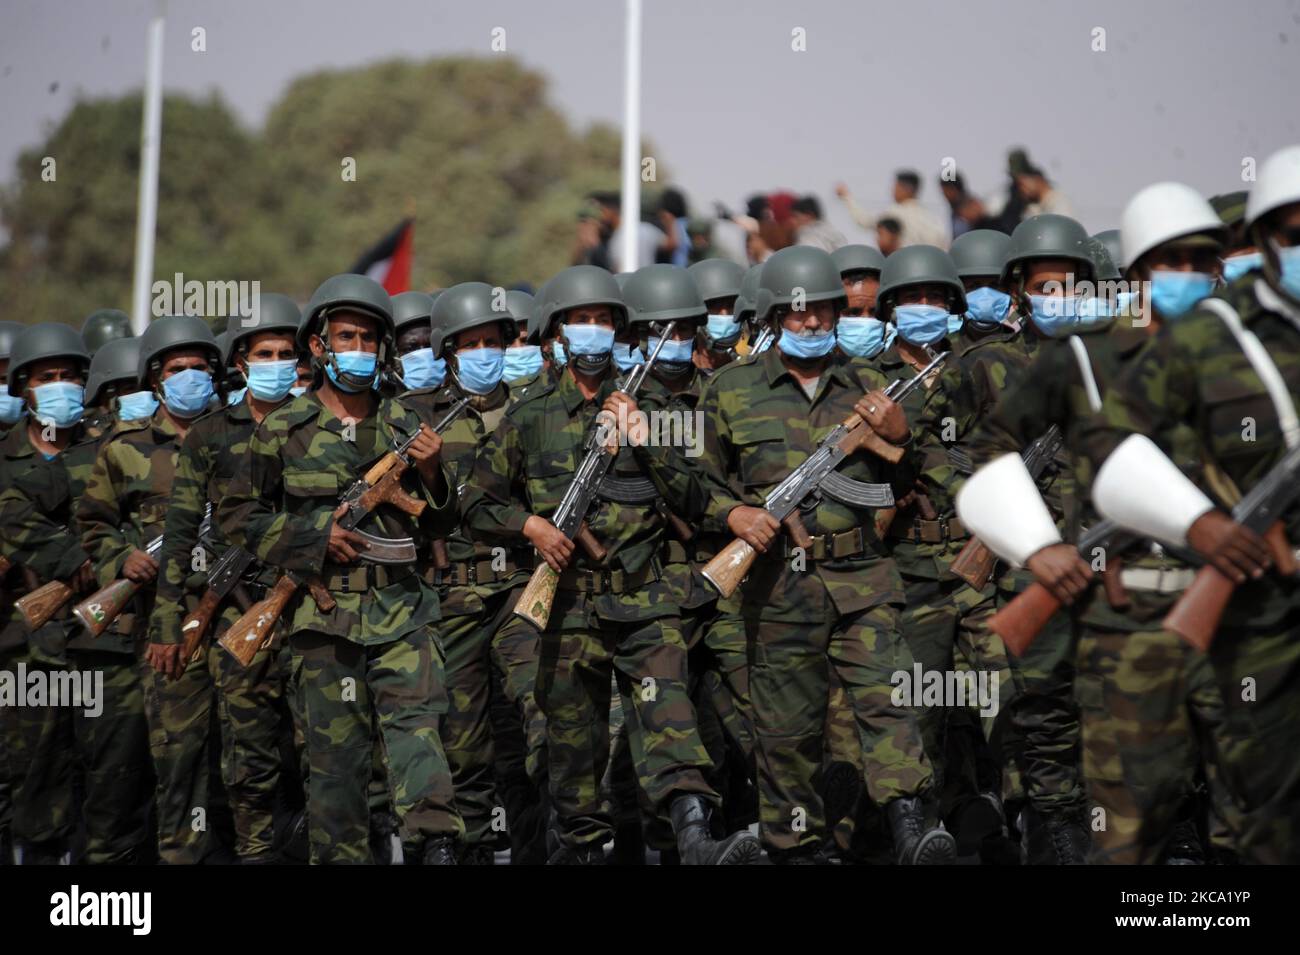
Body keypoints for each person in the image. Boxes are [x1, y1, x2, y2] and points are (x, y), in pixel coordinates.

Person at [463, 264, 760, 865]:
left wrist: (643, 439)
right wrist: (532, 527)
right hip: (567, 611)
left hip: (646, 602)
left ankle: (697, 840)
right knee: (575, 764)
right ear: (558, 333)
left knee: (672, 721)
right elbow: (475, 501)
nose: (594, 331)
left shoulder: (652, 408)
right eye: (582, 321)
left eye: (604, 320)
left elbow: (696, 499)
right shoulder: (531, 415)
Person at [696, 245, 954, 864]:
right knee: (788, 731)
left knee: (890, 701)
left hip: (862, 575)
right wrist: (735, 515)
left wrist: (900, 438)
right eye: (798, 312)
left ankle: (910, 826)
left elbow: (913, 482)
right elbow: (694, 482)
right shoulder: (731, 391)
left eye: (824, 312)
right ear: (774, 316)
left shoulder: (870, 384)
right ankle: (796, 847)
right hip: (780, 585)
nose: (813, 323)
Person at [1079, 145, 1300, 864]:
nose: (1193, 277)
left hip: (1251, 618)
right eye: (1165, 264)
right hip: (1142, 614)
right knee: (1133, 822)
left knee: (1250, 814)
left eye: (1201, 261)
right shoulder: (1098, 367)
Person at [217, 274, 465, 864]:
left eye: (368, 338)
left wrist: (432, 476)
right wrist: (312, 536)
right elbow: (238, 520)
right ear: (320, 347)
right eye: (345, 336)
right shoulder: (282, 430)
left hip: (403, 612)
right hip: (323, 625)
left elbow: (441, 526)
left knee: (419, 743)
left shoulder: (407, 424)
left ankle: (436, 846)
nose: (358, 347)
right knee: (335, 778)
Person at [147, 296, 304, 865]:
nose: (277, 362)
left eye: (287, 353)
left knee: (315, 754)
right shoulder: (210, 435)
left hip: (309, 610)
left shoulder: (319, 426)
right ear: (240, 362)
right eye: (265, 353)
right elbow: (180, 533)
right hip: (237, 611)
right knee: (247, 755)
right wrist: (168, 623)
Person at [78, 314, 227, 863]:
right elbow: (92, 521)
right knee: (178, 761)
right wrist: (124, 559)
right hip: (166, 620)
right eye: (176, 369)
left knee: (244, 758)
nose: (189, 377)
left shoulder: (242, 435)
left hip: (236, 612)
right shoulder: (124, 449)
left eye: (198, 368)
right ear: (157, 380)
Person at [0, 323, 102, 864]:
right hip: (22, 644)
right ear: (24, 387)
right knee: (34, 773)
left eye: (69, 377)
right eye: (46, 378)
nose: (59, 387)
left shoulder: (105, 448)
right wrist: (70, 557)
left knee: (104, 775)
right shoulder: (6, 458)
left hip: (100, 637)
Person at [836, 170, 947, 248]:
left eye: (895, 187)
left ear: (905, 189)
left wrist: (846, 197)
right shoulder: (932, 219)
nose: (892, 191)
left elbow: (863, 220)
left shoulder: (894, 213)